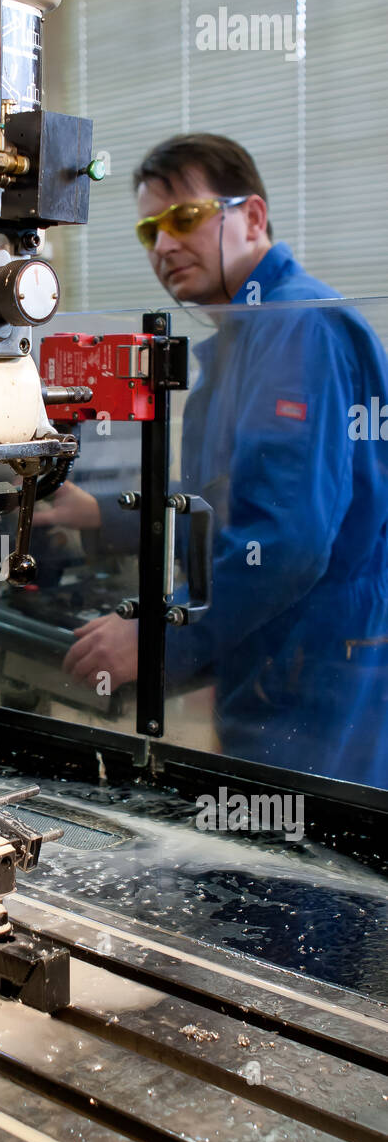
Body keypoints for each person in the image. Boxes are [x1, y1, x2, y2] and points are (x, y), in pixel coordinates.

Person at [44, 133, 388, 786]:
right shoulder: (241, 335)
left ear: (252, 218)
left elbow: (285, 541)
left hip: (315, 671)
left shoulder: (295, 327)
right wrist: (105, 514)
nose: (163, 245)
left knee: (301, 873)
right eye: (150, 230)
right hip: (274, 662)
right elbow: (226, 501)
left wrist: (161, 632)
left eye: (185, 219)